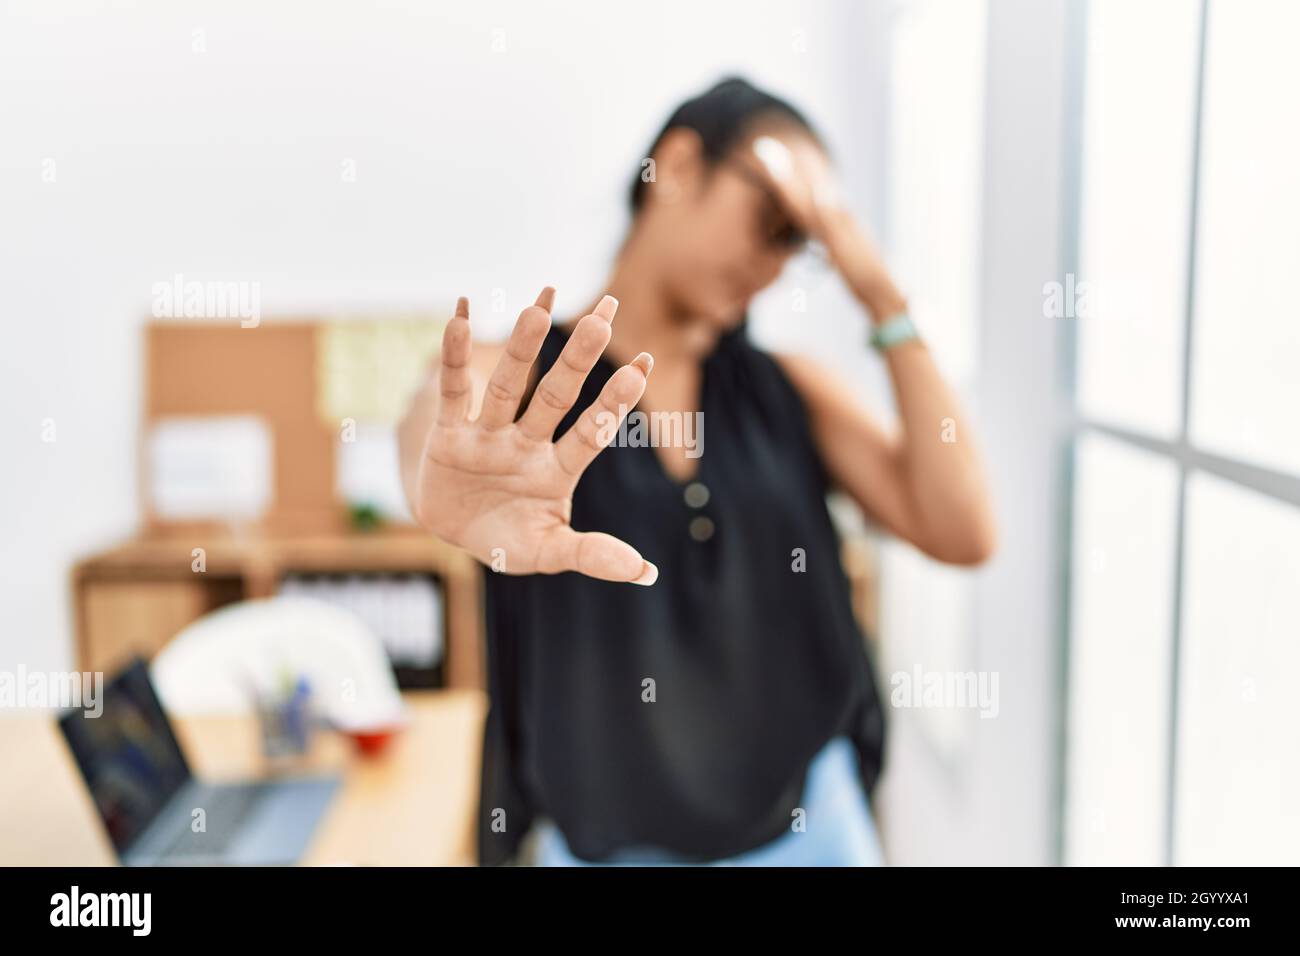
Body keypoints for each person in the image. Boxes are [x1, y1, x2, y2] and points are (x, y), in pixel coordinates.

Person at [398, 77, 996, 866]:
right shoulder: (517, 384)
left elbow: (962, 530)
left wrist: (882, 297)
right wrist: (434, 482)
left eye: (802, 242)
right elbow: (437, 439)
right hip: (609, 847)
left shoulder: (788, 390)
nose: (776, 262)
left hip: (811, 827)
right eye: (774, 220)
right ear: (678, 166)